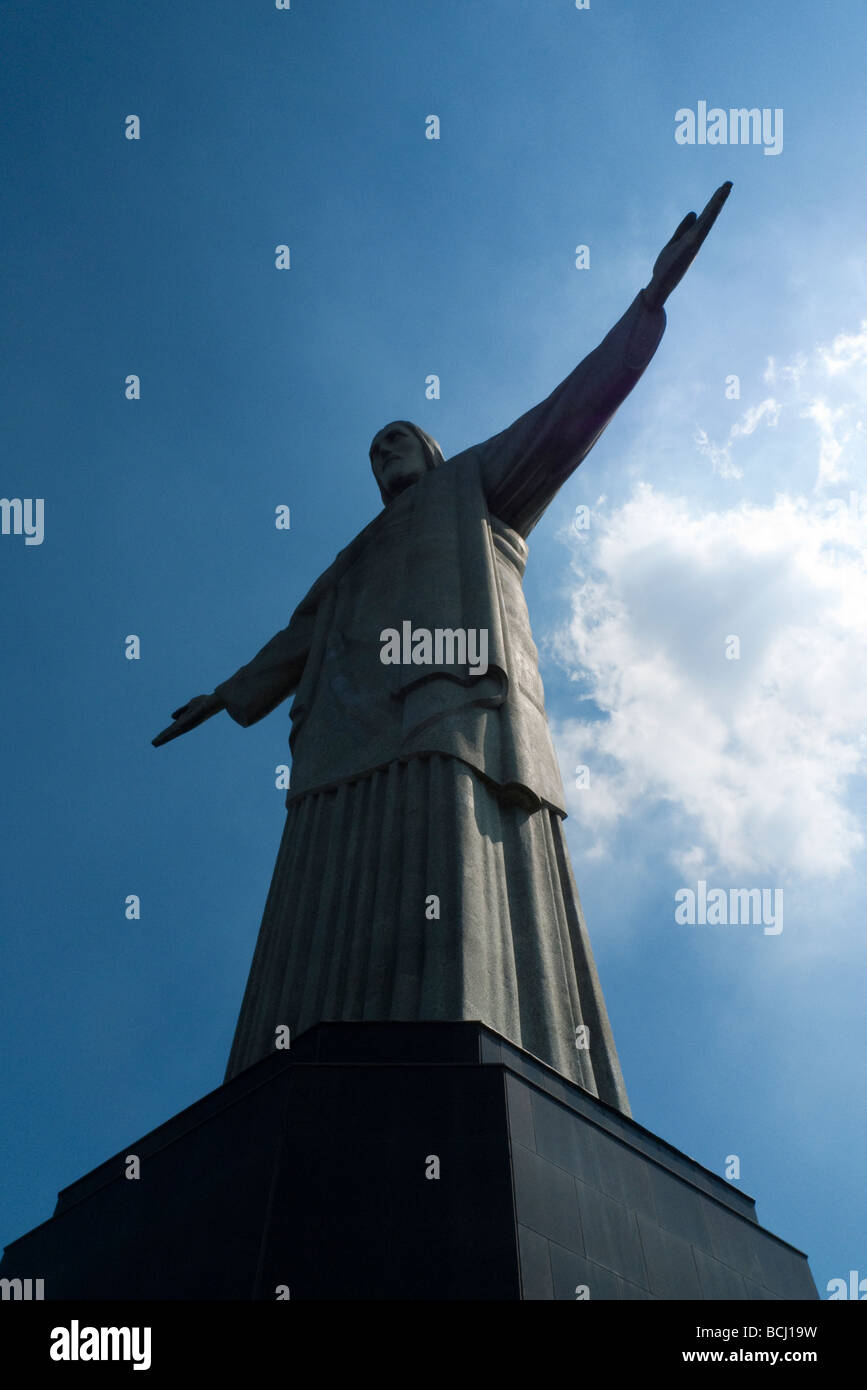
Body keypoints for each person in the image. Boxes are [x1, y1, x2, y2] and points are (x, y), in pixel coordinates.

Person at [154, 184, 731, 1112]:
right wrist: (227, 695)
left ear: (428, 448)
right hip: (341, 737)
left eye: (397, 436)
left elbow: (565, 414)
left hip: (447, 701)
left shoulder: (475, 485)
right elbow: (297, 636)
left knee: (447, 856)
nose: (382, 448)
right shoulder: (350, 559)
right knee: (327, 883)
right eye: (372, 447)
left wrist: (647, 302)